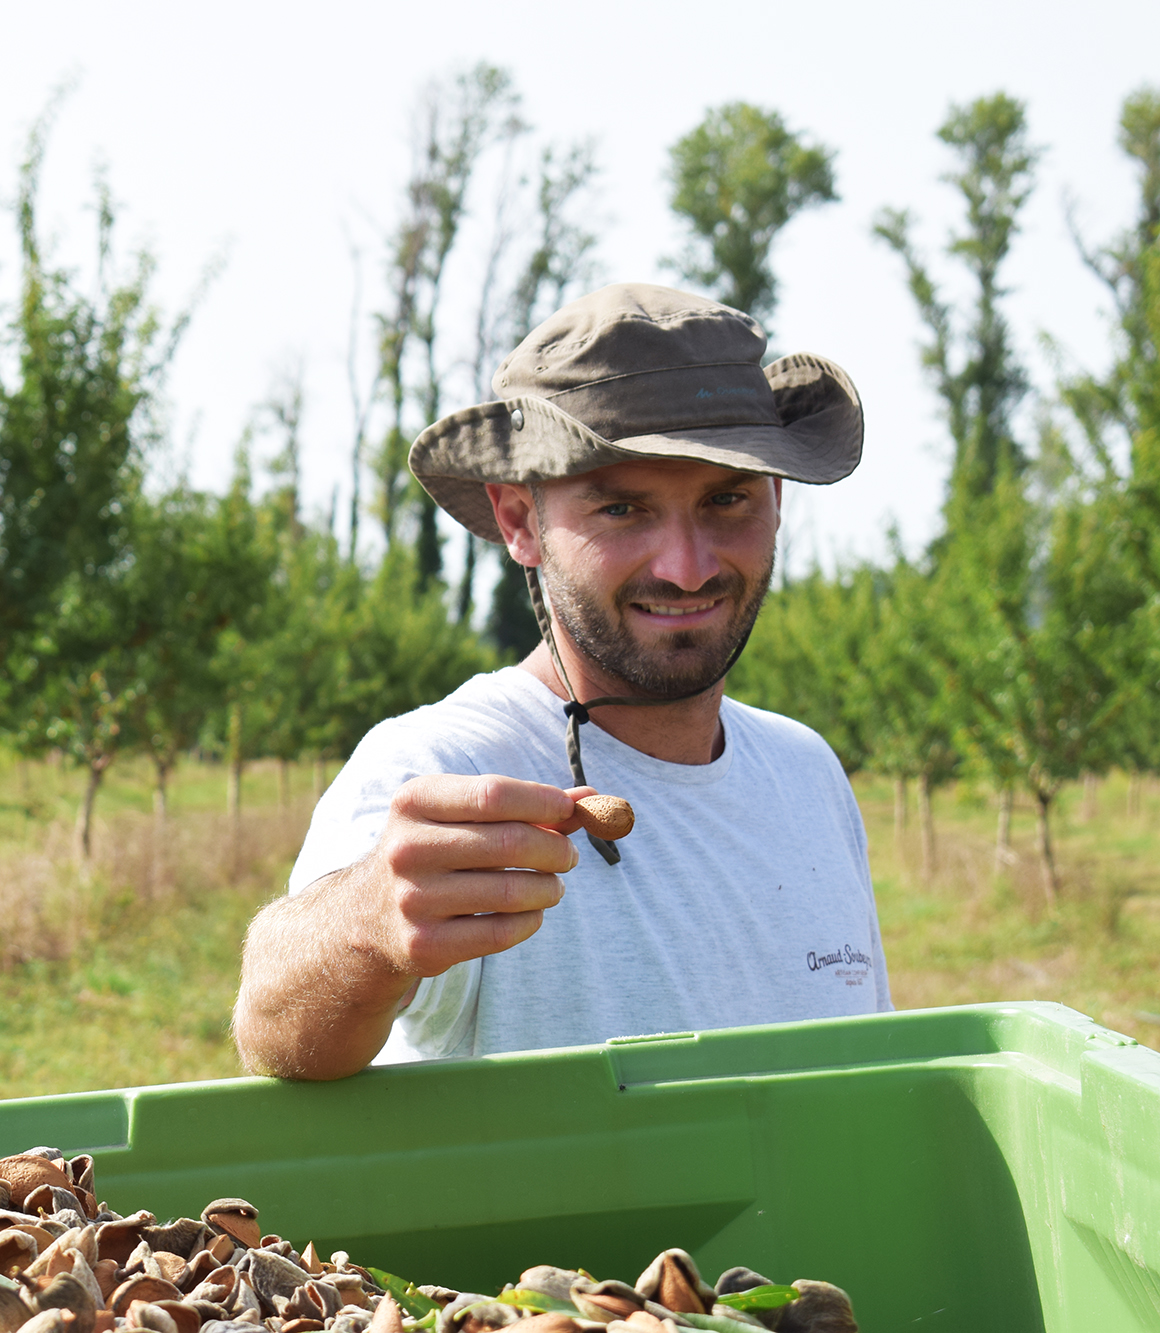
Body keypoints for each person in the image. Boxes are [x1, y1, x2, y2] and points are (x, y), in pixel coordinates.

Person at [232, 283, 891, 1081]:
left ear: (777, 499)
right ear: (519, 521)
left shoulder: (805, 771)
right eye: (622, 509)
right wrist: (366, 920)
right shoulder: (449, 766)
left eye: (726, 499)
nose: (687, 568)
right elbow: (274, 1030)